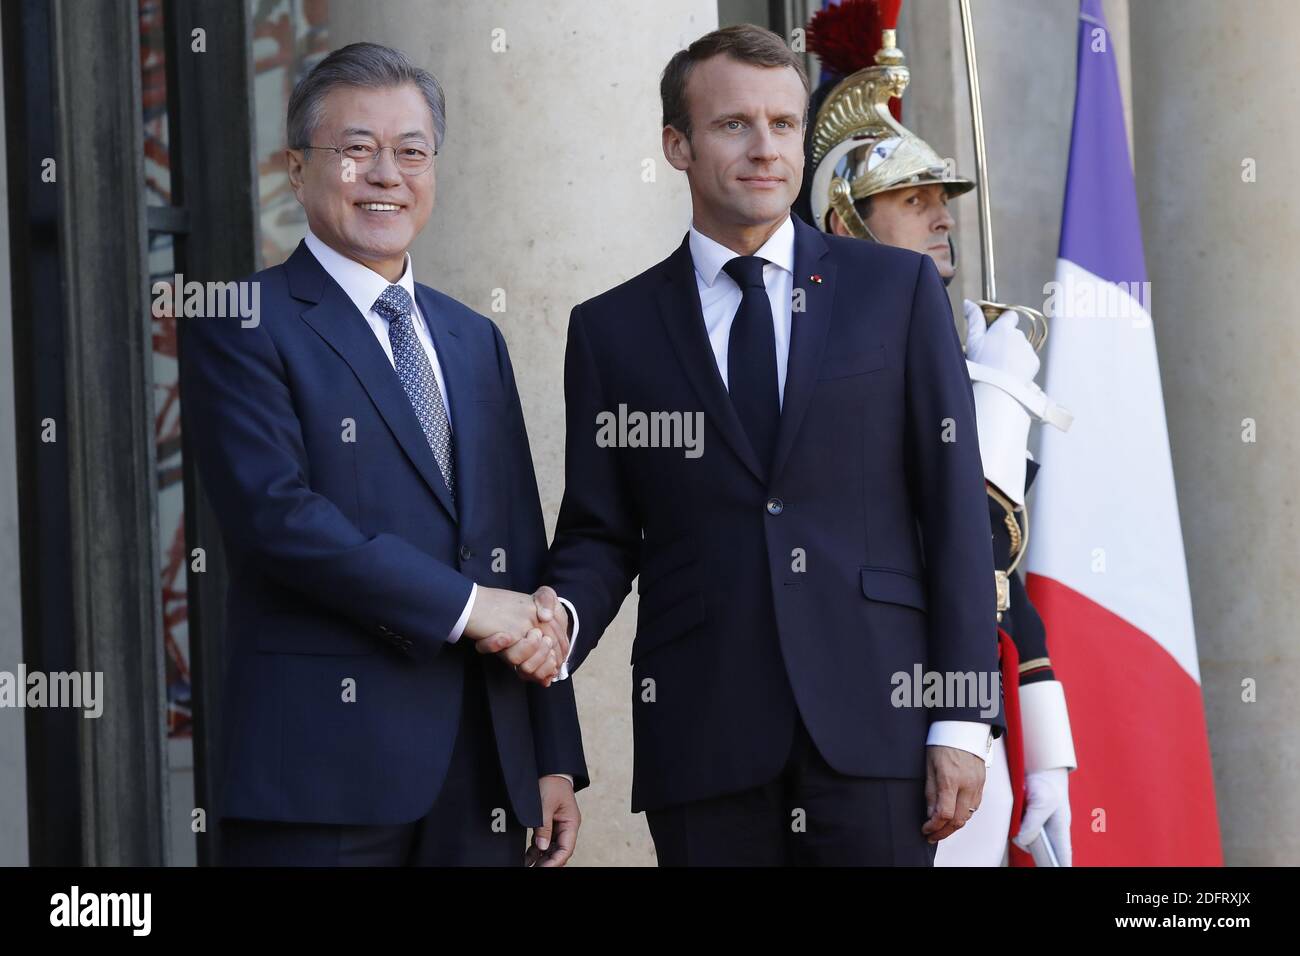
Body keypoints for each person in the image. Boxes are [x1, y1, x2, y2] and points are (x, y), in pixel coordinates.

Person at [493, 23, 997, 866]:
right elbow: (601, 532)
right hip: (704, 735)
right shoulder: (612, 330)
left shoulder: (896, 291)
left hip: (880, 727)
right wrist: (560, 620)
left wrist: (961, 719)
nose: (765, 148)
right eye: (734, 125)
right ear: (676, 145)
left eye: (784, 124)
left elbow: (953, 511)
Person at [181, 42, 585, 866]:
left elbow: (517, 543)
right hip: (322, 774)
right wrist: (471, 607)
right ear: (297, 169)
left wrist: (551, 754)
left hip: (483, 771)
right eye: (354, 149)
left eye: (410, 152)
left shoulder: (475, 339)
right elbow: (278, 519)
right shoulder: (245, 320)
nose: (384, 174)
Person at [796, 0, 1078, 865]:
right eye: (913, 200)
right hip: (868, 725)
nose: (943, 217)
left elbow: (997, 578)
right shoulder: (811, 367)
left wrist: (1047, 742)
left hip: (971, 717)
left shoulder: (965, 354)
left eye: (941, 199)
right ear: (846, 220)